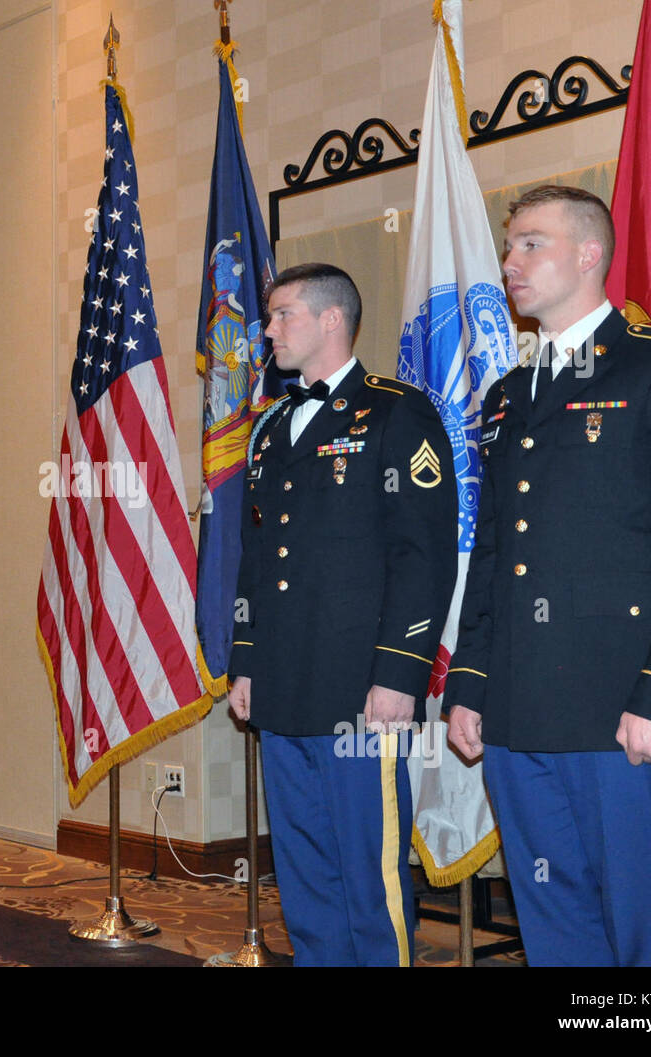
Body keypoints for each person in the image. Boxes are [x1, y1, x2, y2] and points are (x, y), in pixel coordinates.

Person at [445, 185, 651, 966]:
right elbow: (495, 558)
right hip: (518, 713)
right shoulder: (509, 397)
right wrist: (471, 682)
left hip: (623, 712)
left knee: (647, 931)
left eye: (530, 244)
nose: (509, 262)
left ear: (588, 254)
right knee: (555, 927)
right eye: (509, 246)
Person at [227, 263, 457, 966]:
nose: (267, 330)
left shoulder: (396, 411)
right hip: (284, 684)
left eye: (282, 315)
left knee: (369, 867)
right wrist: (245, 659)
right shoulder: (269, 428)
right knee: (302, 868)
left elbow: (425, 556)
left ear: (332, 319)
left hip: (363, 689)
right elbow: (256, 556)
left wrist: (400, 675)